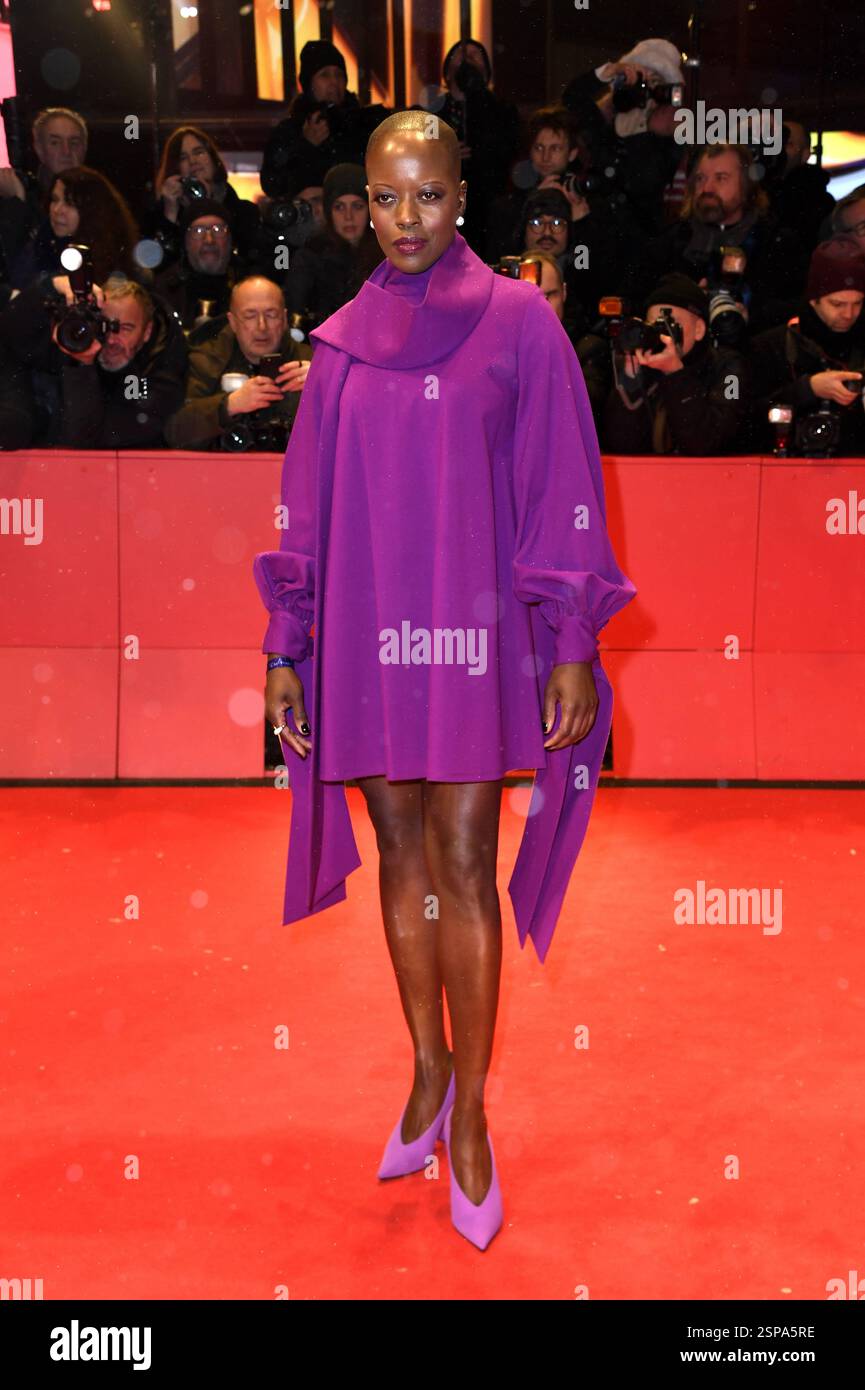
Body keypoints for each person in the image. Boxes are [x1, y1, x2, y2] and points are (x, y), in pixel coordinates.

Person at [252, 111, 636, 1250]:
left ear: (461, 195)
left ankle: (470, 1114)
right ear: (360, 204)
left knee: (463, 852)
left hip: (469, 640)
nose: (405, 217)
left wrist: (571, 636)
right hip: (367, 634)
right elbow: (305, 512)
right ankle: (428, 1067)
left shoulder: (521, 325)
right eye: (384, 197)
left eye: (425, 194)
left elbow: (564, 481)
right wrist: (285, 647)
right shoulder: (337, 345)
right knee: (399, 851)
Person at [603, 273, 750, 455]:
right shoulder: (645, 366)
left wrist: (675, 374)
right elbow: (621, 446)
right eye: (653, 327)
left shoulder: (729, 370)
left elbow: (707, 442)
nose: (661, 335)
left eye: (669, 324)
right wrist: (631, 380)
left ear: (699, 329)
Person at [164, 275, 310, 451]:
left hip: (296, 472)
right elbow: (174, 432)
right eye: (250, 316)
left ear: (285, 319)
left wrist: (326, 384)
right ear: (232, 322)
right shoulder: (205, 361)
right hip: (220, 473)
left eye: (271, 315)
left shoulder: (314, 362)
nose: (261, 326)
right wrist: (228, 405)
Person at [750, 235, 865, 456]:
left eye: (858, 303)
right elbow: (742, 417)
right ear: (814, 299)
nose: (849, 314)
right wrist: (807, 389)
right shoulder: (771, 346)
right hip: (785, 470)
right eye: (837, 304)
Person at [260, 40, 389, 202]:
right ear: (309, 83)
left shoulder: (364, 123)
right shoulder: (289, 131)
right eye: (325, 75)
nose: (334, 82)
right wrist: (306, 145)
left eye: (339, 75)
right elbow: (273, 185)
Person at [282, 163, 383, 329]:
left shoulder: (386, 256)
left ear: (370, 209)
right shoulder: (309, 257)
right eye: (339, 207)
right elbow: (295, 317)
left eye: (357, 206)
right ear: (329, 212)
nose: (348, 216)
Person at [147, 124, 261, 267]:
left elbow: (251, 261)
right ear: (175, 167)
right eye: (183, 157)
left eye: (199, 152)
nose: (193, 161)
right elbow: (157, 267)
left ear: (213, 159)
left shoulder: (245, 212)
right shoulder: (161, 214)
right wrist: (170, 214)